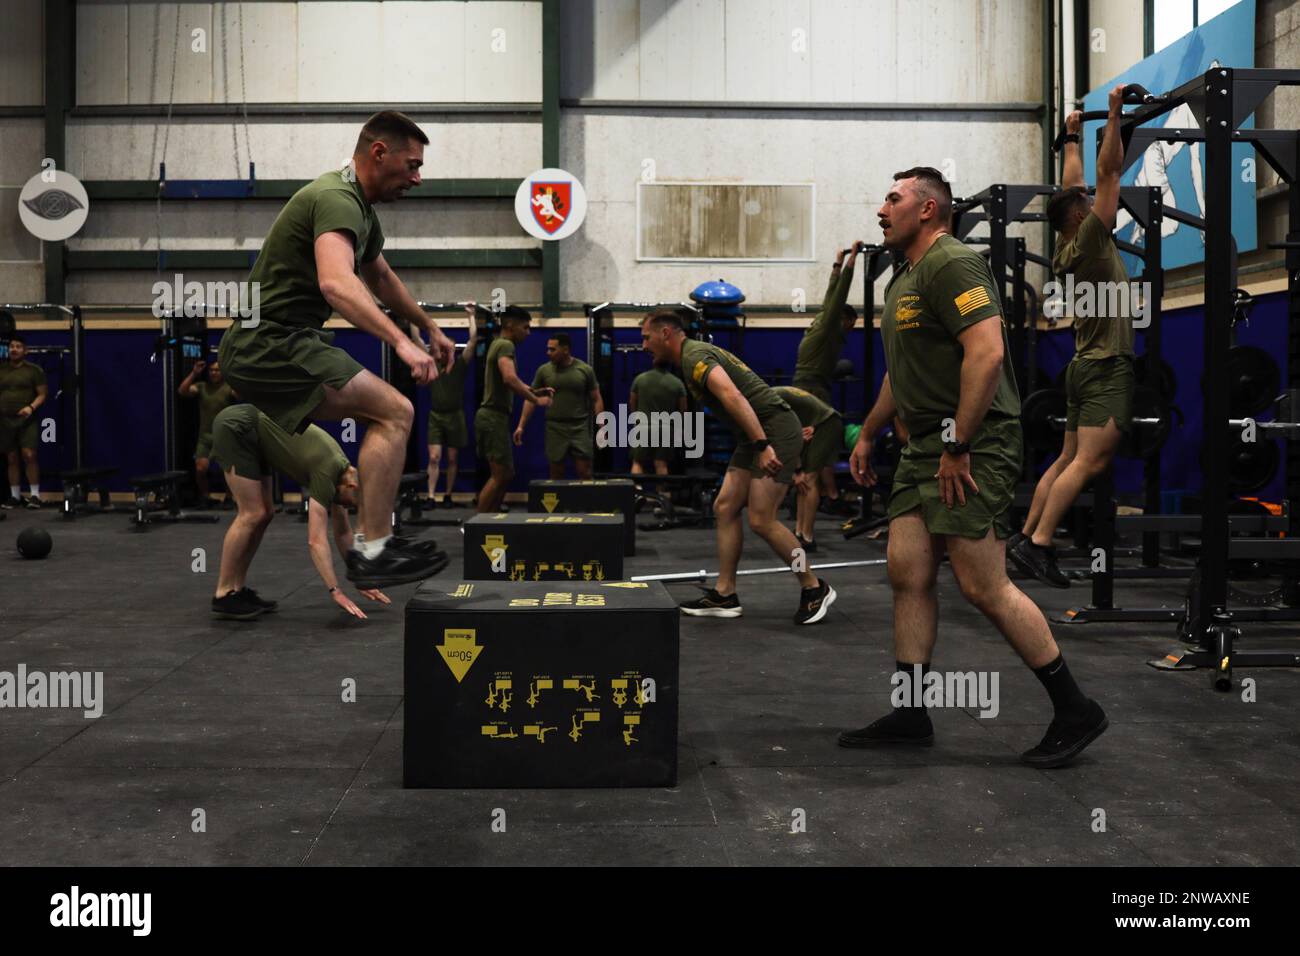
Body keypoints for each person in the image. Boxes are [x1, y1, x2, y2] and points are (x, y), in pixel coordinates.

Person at [845, 166, 1107, 768]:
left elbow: (987, 353)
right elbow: (900, 370)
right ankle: (911, 712)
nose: (881, 209)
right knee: (907, 571)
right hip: (925, 449)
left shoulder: (954, 264)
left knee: (982, 585)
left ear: (929, 209)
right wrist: (871, 432)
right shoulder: (903, 277)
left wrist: (958, 444)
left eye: (893, 198)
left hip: (973, 443)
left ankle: (1075, 707)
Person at [217, 109, 456, 587]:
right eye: (412, 165)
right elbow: (336, 284)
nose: (418, 178)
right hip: (267, 343)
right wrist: (401, 345)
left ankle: (375, 542)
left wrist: (428, 326)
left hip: (288, 341)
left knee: (392, 413)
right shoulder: (335, 198)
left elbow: (380, 277)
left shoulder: (360, 208)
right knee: (395, 411)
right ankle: (373, 548)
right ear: (378, 152)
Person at [1013, 85, 1135, 588]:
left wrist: (1070, 137)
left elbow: (1076, 185)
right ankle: (1040, 544)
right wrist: (1113, 113)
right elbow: (1107, 174)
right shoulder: (1092, 236)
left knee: (1067, 457)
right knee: (1090, 461)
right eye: (1088, 204)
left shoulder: (1067, 245)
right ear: (1084, 218)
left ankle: (1024, 538)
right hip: (1107, 366)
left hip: (1083, 367)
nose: (1093, 198)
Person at [640, 309, 835, 625]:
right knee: (726, 506)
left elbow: (732, 396)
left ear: (666, 333)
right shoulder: (690, 358)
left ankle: (814, 587)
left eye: (646, 337)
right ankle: (725, 593)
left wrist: (762, 445)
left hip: (771, 430)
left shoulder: (694, 356)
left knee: (761, 519)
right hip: (756, 433)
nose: (644, 345)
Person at [209, 404, 443, 620]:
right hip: (238, 427)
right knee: (252, 513)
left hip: (258, 439)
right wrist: (336, 591)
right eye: (354, 504)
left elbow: (343, 533)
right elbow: (316, 540)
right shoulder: (328, 472)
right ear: (351, 487)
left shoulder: (343, 475)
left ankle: (236, 589)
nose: (349, 508)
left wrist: (364, 578)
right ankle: (223, 593)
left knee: (265, 513)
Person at [793, 243, 862, 517]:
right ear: (843, 319)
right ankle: (830, 495)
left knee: (812, 442)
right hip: (813, 390)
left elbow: (831, 294)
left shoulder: (821, 321)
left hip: (806, 386)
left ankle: (820, 493)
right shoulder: (830, 323)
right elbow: (840, 292)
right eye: (851, 323)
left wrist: (837, 260)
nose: (851, 329)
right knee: (825, 444)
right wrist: (853, 260)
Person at [474, 307, 553, 514]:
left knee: (506, 474)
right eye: (525, 327)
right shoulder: (505, 345)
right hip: (492, 417)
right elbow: (509, 378)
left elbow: (511, 380)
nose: (528, 332)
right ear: (510, 325)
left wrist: (534, 390)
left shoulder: (498, 345)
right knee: (500, 475)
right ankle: (477, 526)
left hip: (494, 417)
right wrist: (535, 399)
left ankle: (490, 520)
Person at [515, 332, 602, 480]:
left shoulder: (585, 370)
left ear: (565, 349)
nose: (548, 353)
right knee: (556, 474)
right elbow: (531, 398)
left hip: (579, 427)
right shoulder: (544, 370)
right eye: (548, 349)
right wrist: (521, 426)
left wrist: (602, 428)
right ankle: (559, 504)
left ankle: (587, 503)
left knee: (584, 472)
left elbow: (596, 399)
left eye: (552, 349)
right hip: (555, 428)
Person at [772, 385, 841, 554]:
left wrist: (797, 470)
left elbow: (786, 439)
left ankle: (808, 537)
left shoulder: (768, 403)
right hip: (815, 423)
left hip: (828, 424)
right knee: (802, 481)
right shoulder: (769, 396)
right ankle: (799, 532)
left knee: (808, 478)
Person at [427, 308, 479, 506]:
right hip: (436, 416)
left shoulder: (460, 366)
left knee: (451, 459)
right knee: (434, 457)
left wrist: (471, 315)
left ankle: (448, 495)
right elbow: (415, 340)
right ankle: (431, 496)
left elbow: (473, 340)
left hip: (455, 416)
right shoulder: (431, 364)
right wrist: (414, 317)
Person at [179, 358, 236, 507]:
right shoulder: (202, 387)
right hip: (205, 437)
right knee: (200, 468)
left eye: (217, 370)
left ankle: (229, 497)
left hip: (224, 435)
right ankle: (205, 497)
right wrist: (194, 373)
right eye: (211, 370)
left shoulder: (228, 388)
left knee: (227, 470)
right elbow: (182, 391)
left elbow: (241, 395)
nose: (214, 373)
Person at [0, 334, 48, 509]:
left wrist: (30, 408)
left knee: (29, 455)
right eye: (12, 346)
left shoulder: (34, 370)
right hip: (4, 420)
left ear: (25, 350)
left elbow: (42, 394)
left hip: (27, 420)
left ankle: (35, 496)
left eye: (18, 346)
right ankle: (14, 496)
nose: (14, 349)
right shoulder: (1, 370)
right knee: (11, 458)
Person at [629, 360, 688, 477]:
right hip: (666, 429)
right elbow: (683, 410)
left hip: (643, 426)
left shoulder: (640, 379)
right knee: (661, 464)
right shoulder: (677, 383)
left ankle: (636, 493)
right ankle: (663, 494)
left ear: (653, 362)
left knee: (638, 462)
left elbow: (632, 402)